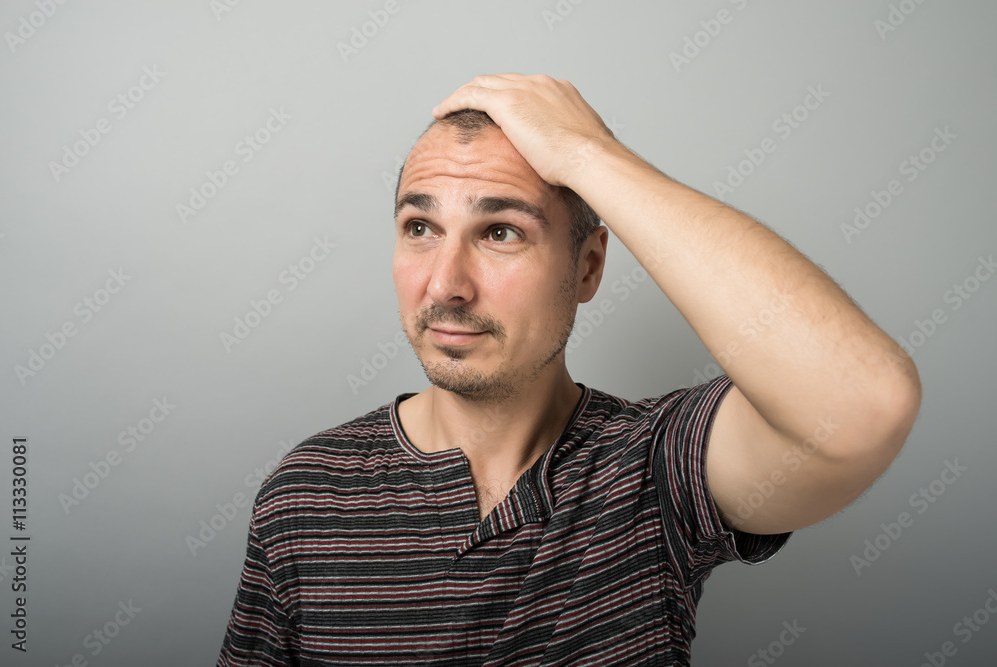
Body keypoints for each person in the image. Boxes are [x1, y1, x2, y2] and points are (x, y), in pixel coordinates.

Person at [216, 74, 921, 666]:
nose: (445, 286)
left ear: (588, 266)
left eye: (500, 232)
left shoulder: (652, 467)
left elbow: (863, 403)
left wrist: (589, 154)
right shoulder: (304, 497)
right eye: (420, 228)